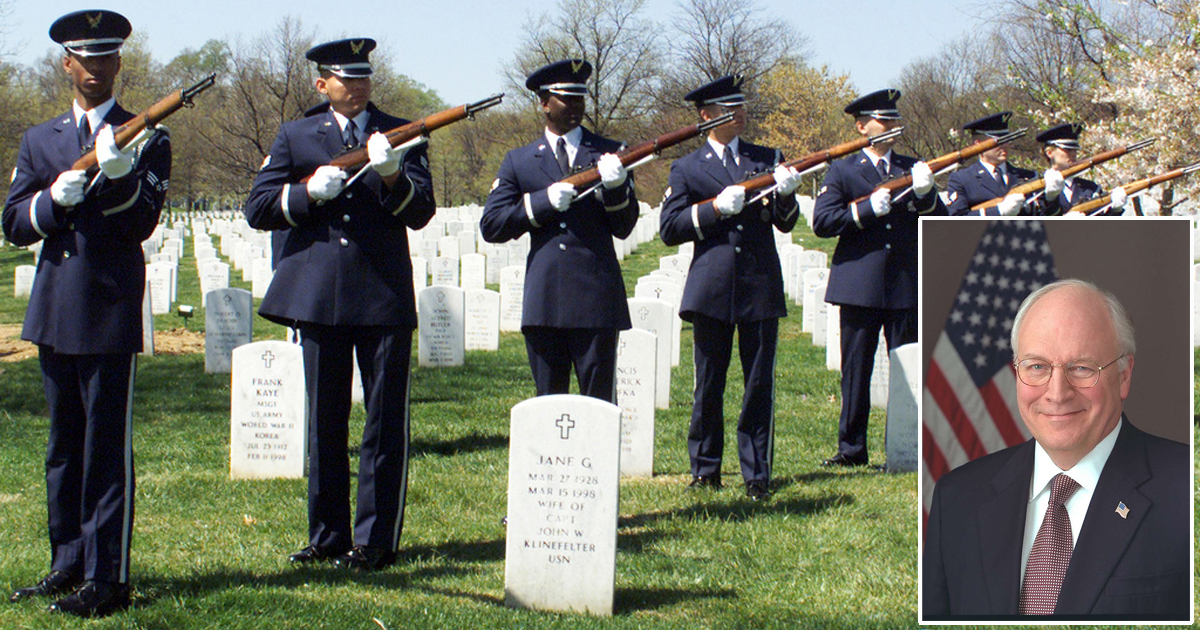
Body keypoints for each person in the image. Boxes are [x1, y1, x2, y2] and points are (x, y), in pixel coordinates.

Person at [1, 10, 171, 617]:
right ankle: (66, 562)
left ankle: (107, 577)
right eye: (85, 58)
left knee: (104, 449)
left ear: (119, 63)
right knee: (63, 449)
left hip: (107, 306)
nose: (97, 68)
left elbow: (142, 221)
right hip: (54, 308)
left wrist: (119, 175)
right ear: (66, 64)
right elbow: (14, 222)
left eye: (107, 58)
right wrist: (50, 203)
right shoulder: (39, 139)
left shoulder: (147, 137)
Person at [243, 38, 435, 571]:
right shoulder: (296, 135)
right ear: (322, 83)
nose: (356, 87)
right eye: (345, 78)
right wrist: (307, 193)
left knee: (384, 421)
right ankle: (327, 535)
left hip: (382, 294)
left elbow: (421, 210)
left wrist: (392, 173)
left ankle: (376, 540)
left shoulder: (403, 132)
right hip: (320, 296)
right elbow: (258, 207)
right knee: (324, 421)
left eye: (363, 77)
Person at [923, 279, 1188, 620]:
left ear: (1123, 376)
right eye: (1037, 366)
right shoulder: (957, 498)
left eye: (1081, 368)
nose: (1057, 393)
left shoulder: (1186, 490)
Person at [658, 75, 801, 500]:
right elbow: (670, 227)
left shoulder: (767, 158)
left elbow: (785, 222)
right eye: (727, 108)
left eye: (740, 105)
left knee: (758, 385)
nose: (738, 113)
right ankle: (705, 468)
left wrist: (787, 195)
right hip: (712, 286)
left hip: (759, 283)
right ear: (706, 115)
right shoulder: (687, 167)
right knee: (708, 384)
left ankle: (757, 473)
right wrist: (714, 209)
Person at [480, 59, 638, 402]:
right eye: (567, 98)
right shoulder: (520, 160)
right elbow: (492, 225)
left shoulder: (611, 153)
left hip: (597, 298)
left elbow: (624, 227)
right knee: (547, 406)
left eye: (580, 98)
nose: (576, 106)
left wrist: (616, 189)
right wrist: (542, 203)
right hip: (546, 300)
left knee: (599, 406)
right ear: (544, 102)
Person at [812, 88, 946, 467]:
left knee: (908, 370)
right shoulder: (843, 170)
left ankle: (906, 447)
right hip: (860, 285)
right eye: (882, 120)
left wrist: (927, 194)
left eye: (893, 120)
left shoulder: (911, 167)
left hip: (904, 282)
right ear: (862, 126)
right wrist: (864, 211)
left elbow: (940, 221)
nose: (890, 126)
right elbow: (823, 221)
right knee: (856, 371)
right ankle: (851, 449)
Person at [946, 112, 1040, 216]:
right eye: (999, 142)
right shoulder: (962, 179)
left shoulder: (1028, 176)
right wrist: (998, 211)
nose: (1005, 145)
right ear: (978, 144)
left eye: (1007, 140)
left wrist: (1050, 199)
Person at [1036, 123, 1128, 216]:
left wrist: (1115, 211)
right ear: (1050, 153)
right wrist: (1050, 199)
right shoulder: (1036, 190)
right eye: (1068, 150)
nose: (1073, 154)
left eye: (1075, 150)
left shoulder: (1090, 188)